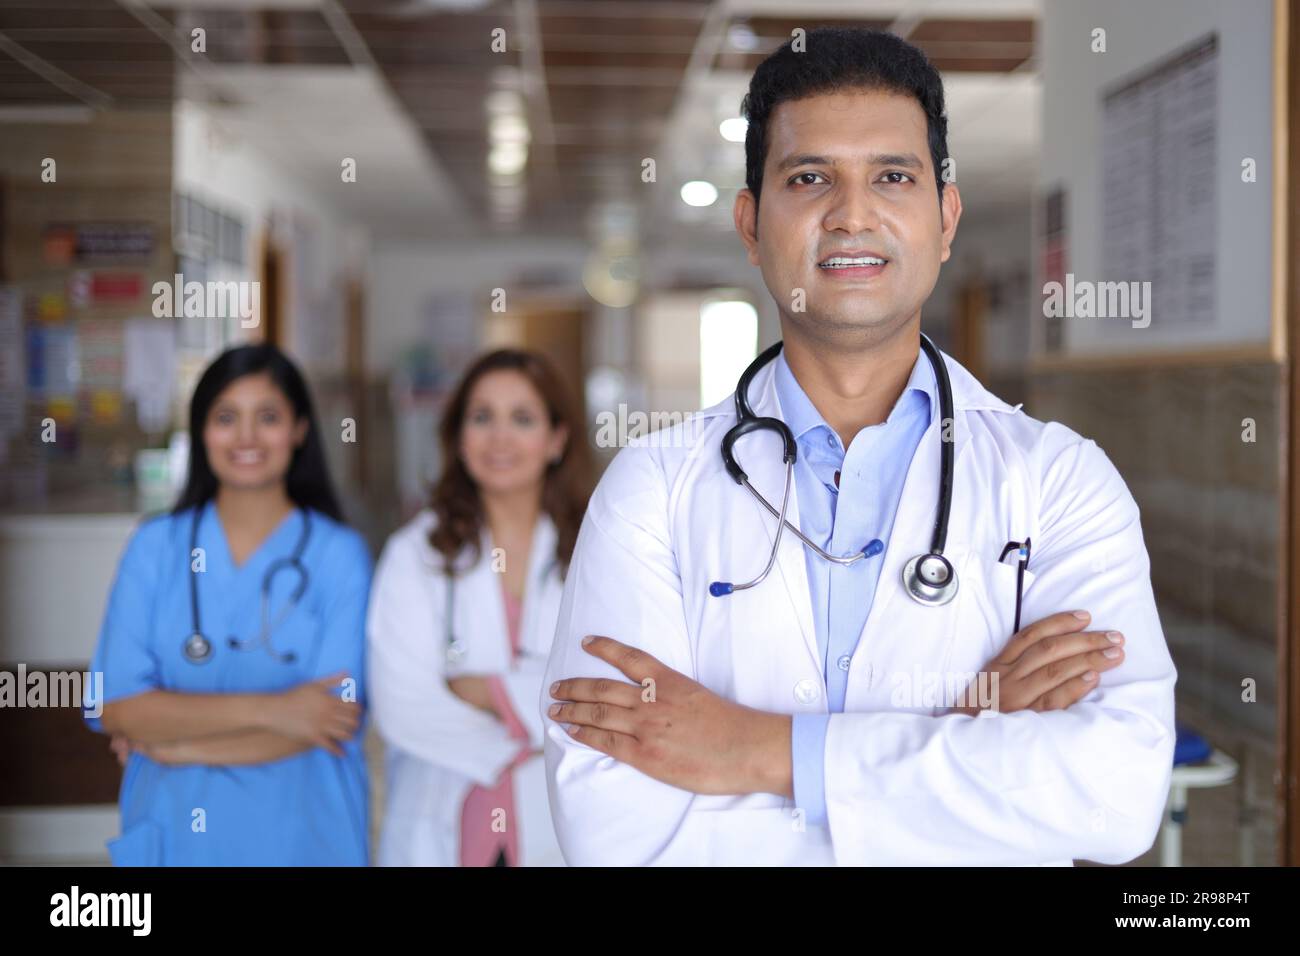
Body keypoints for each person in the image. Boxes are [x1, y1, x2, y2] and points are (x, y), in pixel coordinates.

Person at [543, 28, 1177, 866]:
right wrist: (959, 739)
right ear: (751, 222)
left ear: (945, 218)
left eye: (893, 176)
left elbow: (1115, 799)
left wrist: (762, 752)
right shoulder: (651, 489)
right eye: (810, 178)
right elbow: (610, 831)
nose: (851, 214)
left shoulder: (1059, 482)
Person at [88, 344, 371, 866]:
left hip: (302, 833)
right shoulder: (154, 547)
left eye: (267, 417)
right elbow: (118, 705)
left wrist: (176, 745)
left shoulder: (339, 555)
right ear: (200, 431)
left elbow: (331, 721)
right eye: (225, 417)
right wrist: (280, 709)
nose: (246, 437)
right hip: (177, 832)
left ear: (300, 430)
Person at [367, 349, 590, 866]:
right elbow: (401, 702)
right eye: (482, 417)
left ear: (556, 439)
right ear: (458, 437)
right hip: (440, 815)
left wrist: (488, 690)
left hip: (561, 826)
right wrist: (530, 736)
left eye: (523, 418)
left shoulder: (596, 548)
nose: (500, 438)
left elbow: (612, 690)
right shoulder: (415, 554)